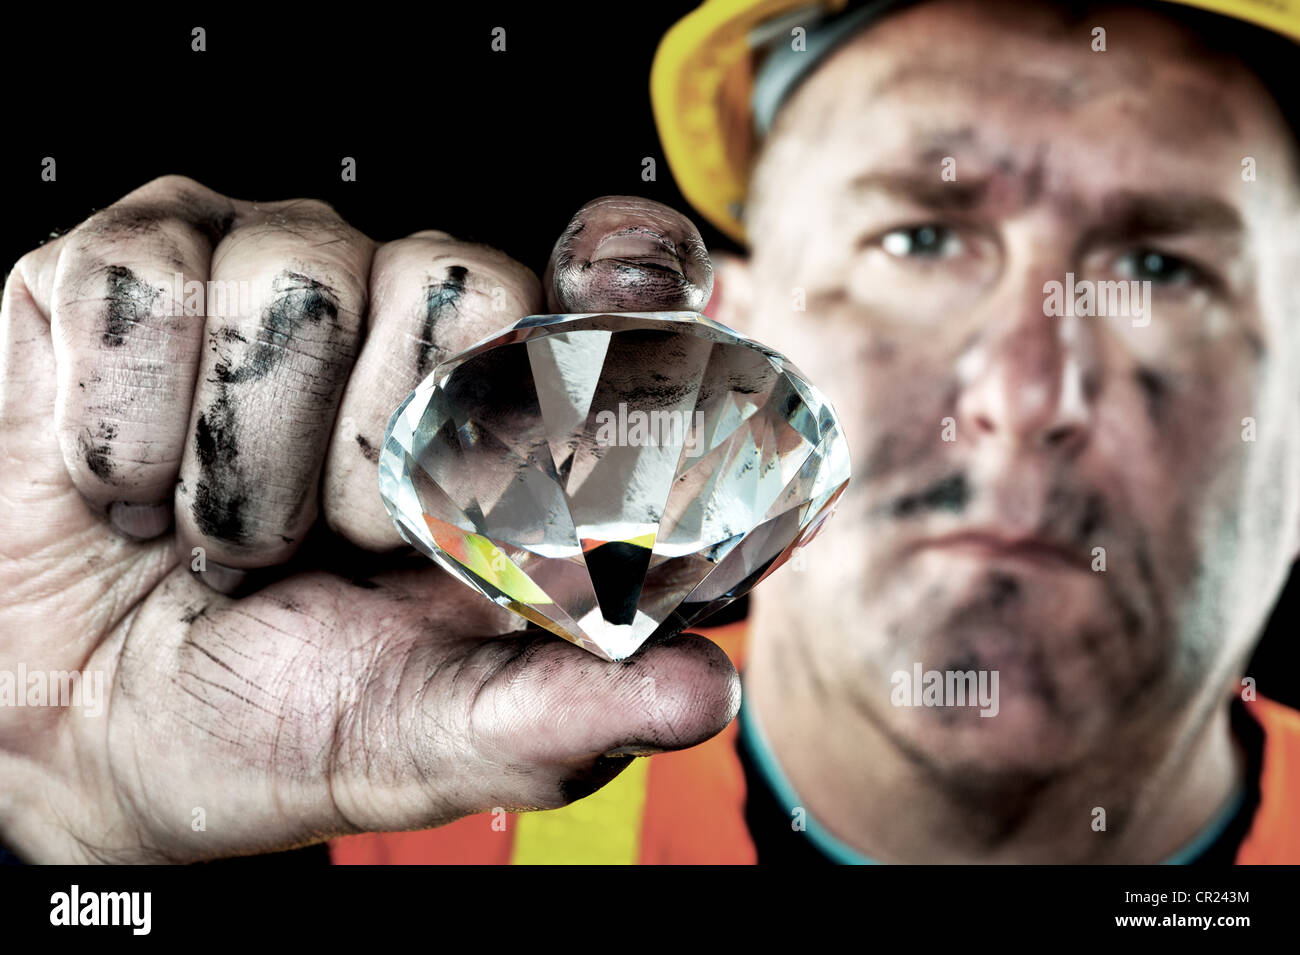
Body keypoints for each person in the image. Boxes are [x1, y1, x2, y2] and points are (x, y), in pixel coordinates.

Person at [1, 0, 1297, 865]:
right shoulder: (390, 818)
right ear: (720, 340)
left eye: (1163, 268)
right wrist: (49, 796)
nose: (1023, 393)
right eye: (918, 239)